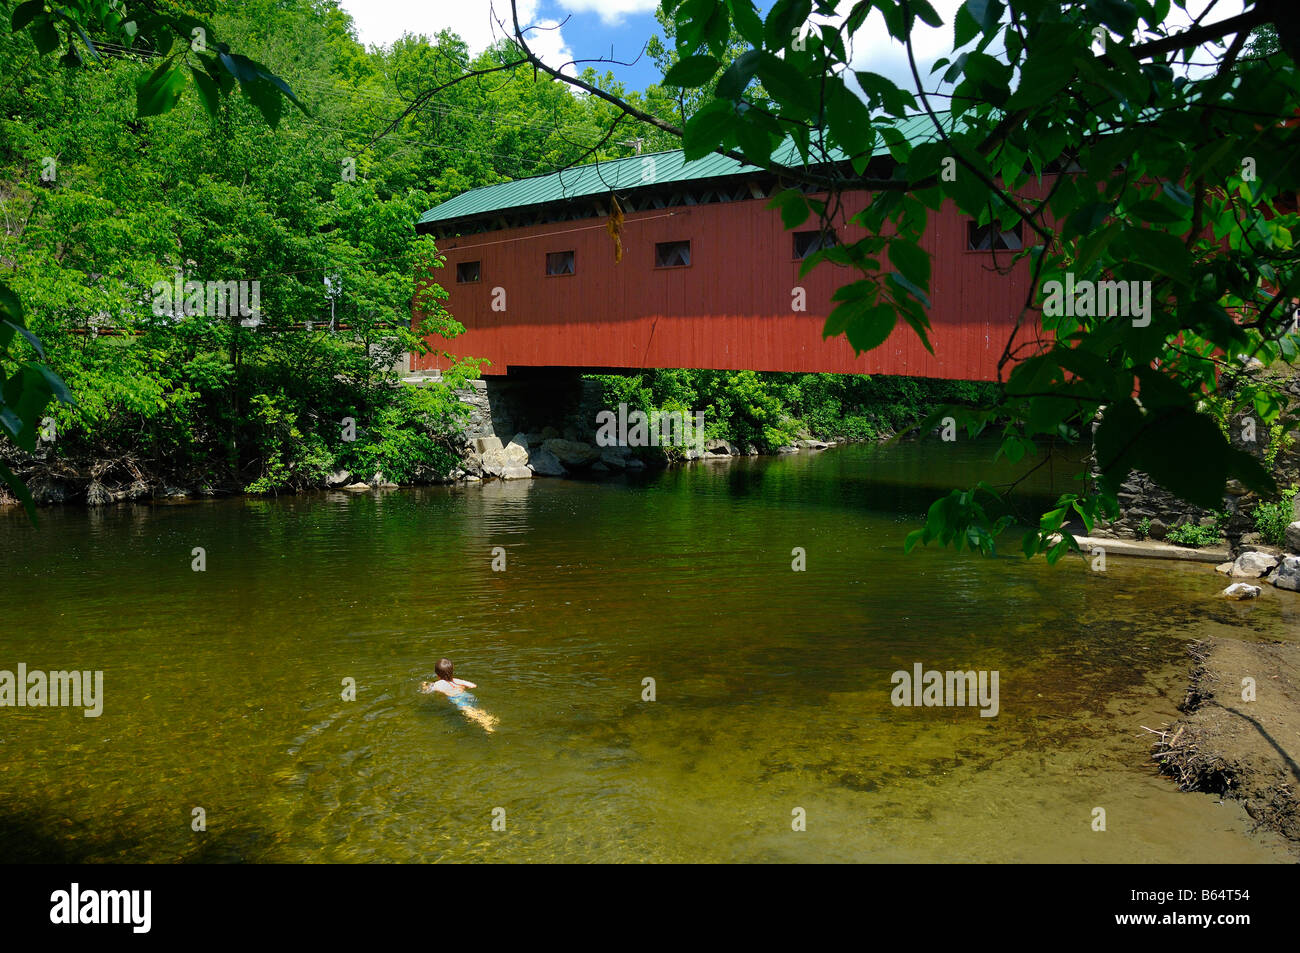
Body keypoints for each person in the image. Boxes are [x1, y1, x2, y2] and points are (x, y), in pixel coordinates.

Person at [420, 658, 497, 732]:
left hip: (457, 699)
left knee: (470, 712)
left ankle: (487, 726)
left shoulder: (437, 684)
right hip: (467, 695)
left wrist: (424, 685)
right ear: (452, 671)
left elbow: (426, 691)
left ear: (437, 674)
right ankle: (490, 719)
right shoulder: (456, 680)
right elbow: (473, 685)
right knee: (474, 709)